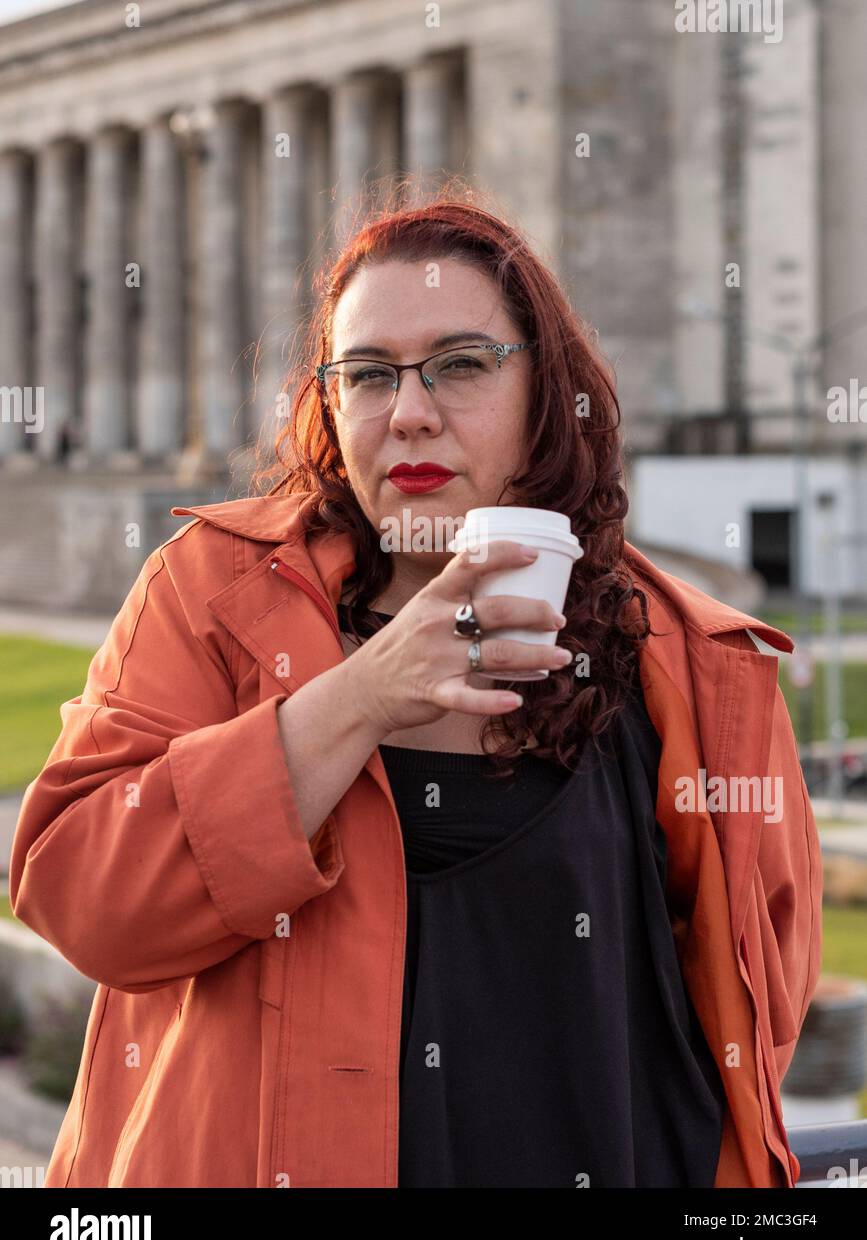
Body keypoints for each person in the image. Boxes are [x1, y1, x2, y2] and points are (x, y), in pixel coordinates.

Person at [11, 190, 822, 1189]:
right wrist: (363, 694)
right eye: (369, 375)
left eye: (462, 364)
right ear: (330, 402)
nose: (411, 412)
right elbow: (78, 894)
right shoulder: (209, 595)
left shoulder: (694, 664)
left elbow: (760, 995)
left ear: (544, 393)